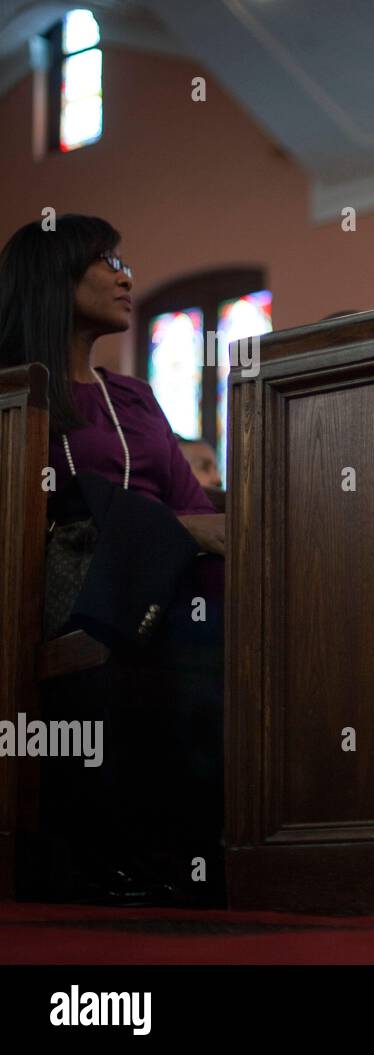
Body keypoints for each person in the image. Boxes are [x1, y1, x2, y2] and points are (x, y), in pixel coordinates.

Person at [0, 215, 225, 905]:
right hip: (69, 591)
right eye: (105, 260)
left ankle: (198, 848)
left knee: (224, 622)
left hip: (171, 582)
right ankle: (131, 849)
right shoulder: (16, 398)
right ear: (56, 277)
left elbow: (202, 515)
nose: (126, 275)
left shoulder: (133, 396)